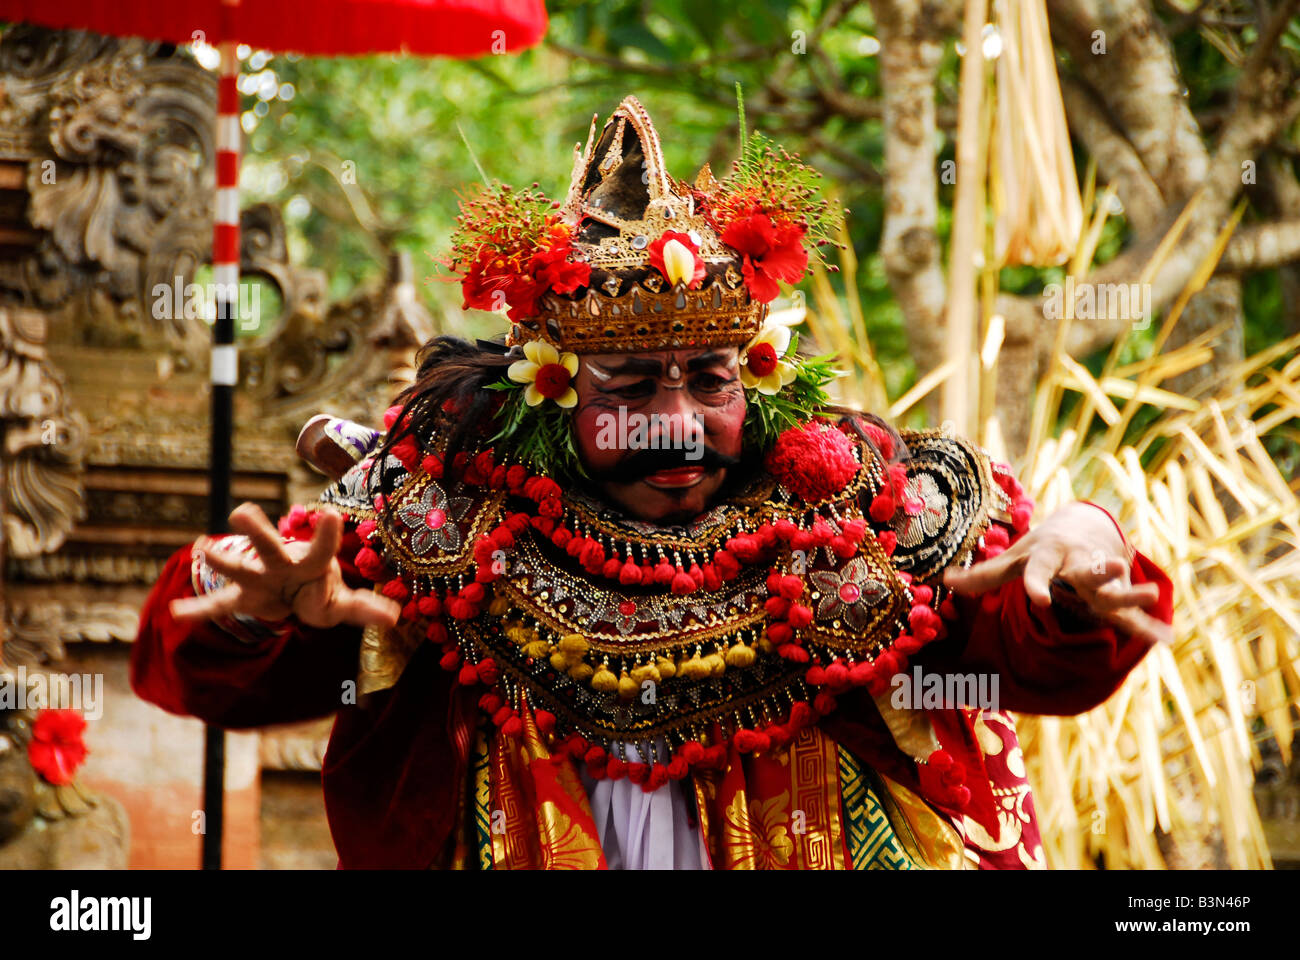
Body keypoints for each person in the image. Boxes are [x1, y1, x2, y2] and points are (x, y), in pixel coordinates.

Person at [132, 95, 1173, 869]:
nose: (674, 427)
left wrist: (1081, 558)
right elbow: (195, 674)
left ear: (757, 374)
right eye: (628, 383)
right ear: (546, 388)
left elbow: (1034, 662)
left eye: (710, 382)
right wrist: (241, 615)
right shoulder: (433, 532)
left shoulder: (863, 522)